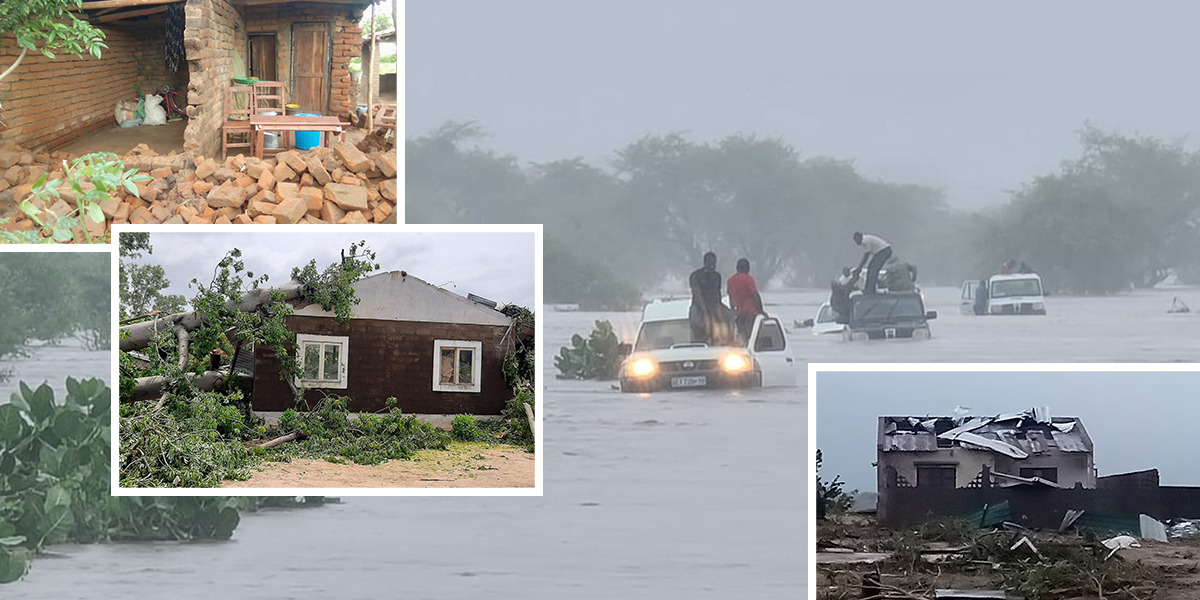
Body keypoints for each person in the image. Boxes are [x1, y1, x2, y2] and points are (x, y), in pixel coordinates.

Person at [689, 251, 727, 344]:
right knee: (695, 318)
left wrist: (720, 308)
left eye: (714, 262)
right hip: (699, 305)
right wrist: (704, 310)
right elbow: (697, 293)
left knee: (729, 317)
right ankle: (698, 338)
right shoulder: (696, 275)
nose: (713, 265)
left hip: (714, 305)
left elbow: (717, 293)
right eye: (711, 262)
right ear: (705, 262)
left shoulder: (717, 276)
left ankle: (726, 339)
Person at [727, 258, 765, 343]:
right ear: (748, 268)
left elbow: (731, 298)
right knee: (752, 337)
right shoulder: (748, 279)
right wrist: (761, 310)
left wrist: (734, 311)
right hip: (751, 314)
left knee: (742, 336)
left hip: (739, 315)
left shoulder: (730, 281)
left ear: (737, 268)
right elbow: (755, 295)